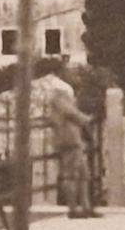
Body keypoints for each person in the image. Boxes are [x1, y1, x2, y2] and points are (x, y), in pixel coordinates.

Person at [41, 67, 99, 219]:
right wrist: (86, 119)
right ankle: (73, 208)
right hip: (68, 138)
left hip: (73, 137)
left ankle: (85, 207)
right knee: (71, 174)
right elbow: (70, 112)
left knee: (83, 174)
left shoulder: (62, 93)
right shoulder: (59, 94)